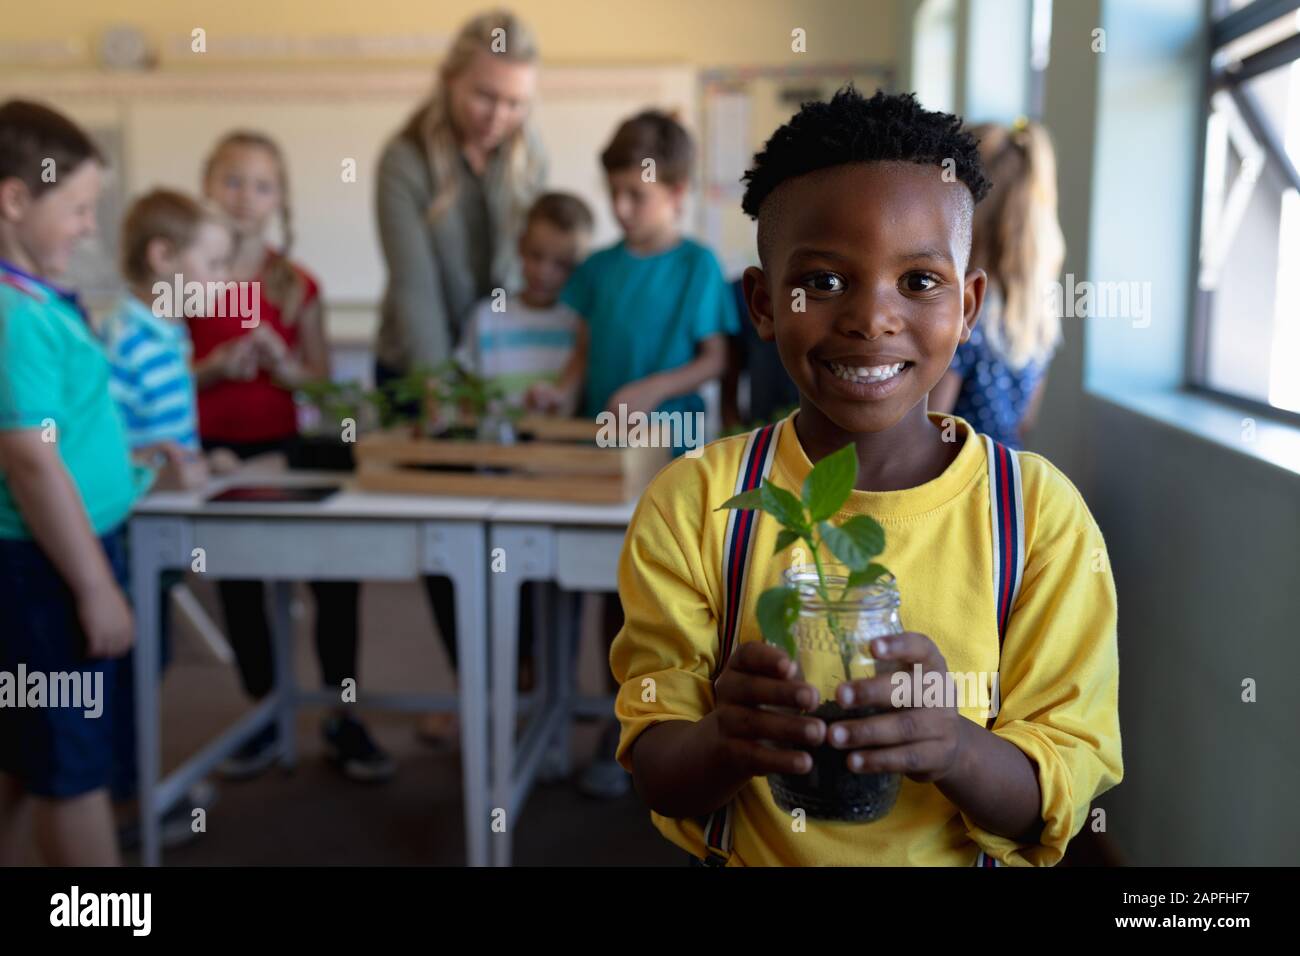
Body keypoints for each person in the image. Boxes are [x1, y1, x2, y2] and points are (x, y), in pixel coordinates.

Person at [610, 88, 1122, 865]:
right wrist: (724, 739)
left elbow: (1054, 795)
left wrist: (952, 745)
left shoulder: (1040, 521)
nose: (871, 318)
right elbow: (659, 767)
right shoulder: (697, 506)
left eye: (919, 281)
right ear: (761, 303)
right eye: (821, 281)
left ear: (969, 304)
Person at [195, 130, 394, 783]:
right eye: (231, 181)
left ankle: (343, 710)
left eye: (260, 185)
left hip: (286, 454)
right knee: (241, 589)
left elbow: (323, 381)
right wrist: (214, 366)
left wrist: (285, 367)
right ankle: (263, 715)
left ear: (279, 199)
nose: (244, 197)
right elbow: (164, 378)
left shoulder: (296, 284)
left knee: (334, 578)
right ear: (207, 187)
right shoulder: (191, 282)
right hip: (214, 458)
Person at [373, 9, 546, 745]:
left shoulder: (525, 154)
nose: (498, 116)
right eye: (484, 96)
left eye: (514, 102)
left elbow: (531, 265)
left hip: (498, 369)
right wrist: (442, 387)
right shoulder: (403, 160)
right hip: (420, 364)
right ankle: (477, 695)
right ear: (449, 81)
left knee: (518, 529)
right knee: (447, 545)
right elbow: (414, 289)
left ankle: (520, 684)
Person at [557, 109, 738, 798]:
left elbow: (713, 361)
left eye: (637, 194)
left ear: (679, 190)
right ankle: (606, 719)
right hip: (603, 454)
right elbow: (578, 355)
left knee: (657, 598)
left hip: (675, 459)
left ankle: (650, 729)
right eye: (615, 194)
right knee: (596, 588)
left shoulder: (696, 265)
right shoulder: (598, 269)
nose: (622, 208)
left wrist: (650, 390)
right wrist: (558, 393)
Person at [0, 100, 151, 865]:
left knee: (34, 752)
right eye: (80, 208)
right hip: (46, 569)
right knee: (73, 774)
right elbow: (30, 458)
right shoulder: (12, 314)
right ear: (15, 200)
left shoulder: (32, 302)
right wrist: (94, 585)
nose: (92, 227)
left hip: (51, 561)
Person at [103, 187, 233, 849]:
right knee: (129, 670)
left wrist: (199, 456)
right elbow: (101, 442)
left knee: (149, 663)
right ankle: (126, 804)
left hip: (158, 527)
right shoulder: (125, 337)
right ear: (163, 258)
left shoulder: (167, 334)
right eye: (210, 265)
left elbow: (164, 433)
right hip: (125, 535)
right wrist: (157, 462)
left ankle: (129, 787)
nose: (221, 282)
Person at [927, 120, 1065, 449]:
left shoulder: (965, 311)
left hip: (954, 478)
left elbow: (933, 422)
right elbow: (1026, 419)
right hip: (1005, 471)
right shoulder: (1037, 311)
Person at [454, 191, 593, 413]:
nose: (544, 272)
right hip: (490, 446)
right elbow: (466, 400)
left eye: (561, 264)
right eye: (536, 255)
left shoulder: (580, 325)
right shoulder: (485, 318)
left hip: (558, 445)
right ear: (521, 246)